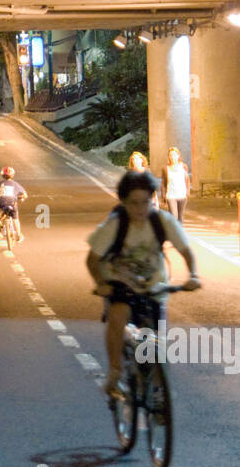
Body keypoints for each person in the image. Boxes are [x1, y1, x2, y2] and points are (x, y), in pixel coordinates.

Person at [85, 170, 200, 401]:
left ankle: (159, 392)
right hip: (119, 282)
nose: (140, 209)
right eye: (133, 203)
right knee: (118, 316)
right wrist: (101, 284)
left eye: (145, 202)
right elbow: (92, 259)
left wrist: (193, 275)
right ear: (124, 202)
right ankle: (115, 372)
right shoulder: (115, 225)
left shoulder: (162, 221)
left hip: (153, 285)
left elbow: (186, 251)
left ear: (152, 199)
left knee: (159, 340)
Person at [0, 166, 27, 242]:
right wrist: (21, 198)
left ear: (3, 175)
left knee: (3, 207)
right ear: (13, 175)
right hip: (11, 202)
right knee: (15, 217)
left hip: (1, 201)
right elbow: (25, 194)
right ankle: (18, 235)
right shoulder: (15, 184)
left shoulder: (0, 184)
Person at [161, 146, 191, 222]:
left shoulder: (184, 166)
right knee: (173, 215)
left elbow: (187, 180)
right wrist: (163, 196)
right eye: (171, 155)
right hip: (171, 195)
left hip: (182, 195)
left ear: (178, 155)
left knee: (180, 216)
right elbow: (163, 183)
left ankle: (179, 232)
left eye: (174, 154)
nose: (172, 157)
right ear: (168, 156)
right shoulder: (165, 168)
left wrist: (187, 192)